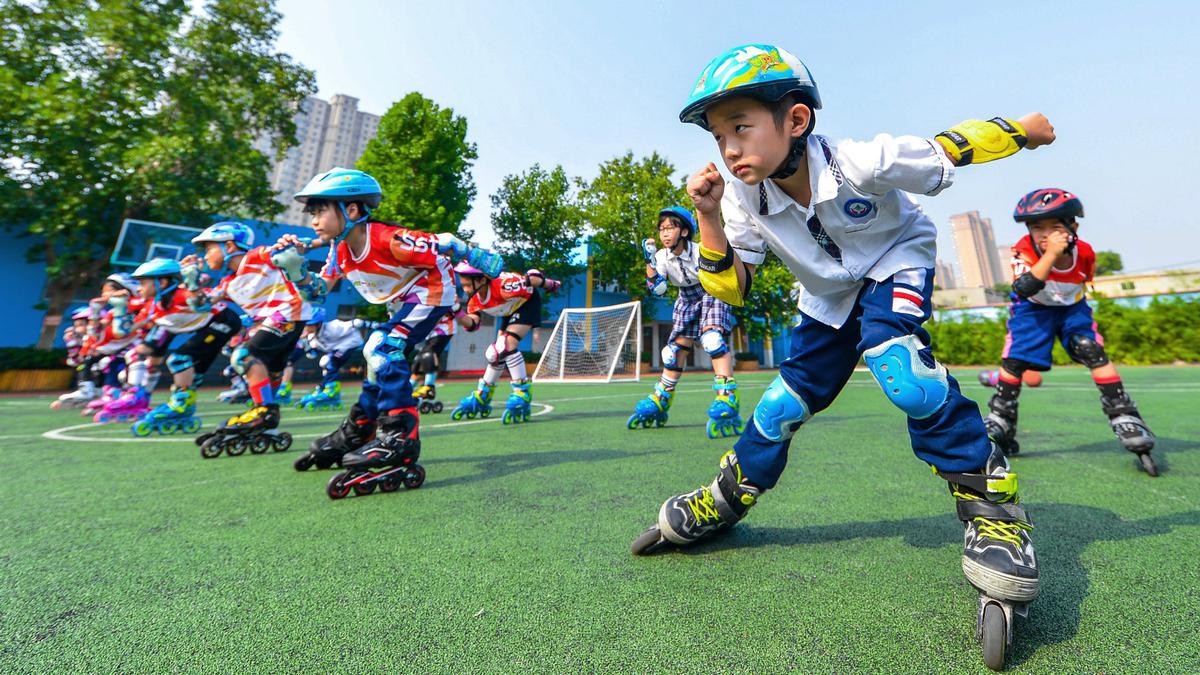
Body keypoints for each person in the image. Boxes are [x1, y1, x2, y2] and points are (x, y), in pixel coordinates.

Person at [632, 45, 1056, 633]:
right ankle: (727, 495)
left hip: (894, 262)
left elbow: (949, 146)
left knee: (899, 367)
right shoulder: (737, 200)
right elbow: (730, 290)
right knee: (782, 404)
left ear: (796, 121)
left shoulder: (862, 161)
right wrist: (705, 217)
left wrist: (1024, 130)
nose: (728, 148)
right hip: (827, 296)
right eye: (718, 136)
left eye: (742, 127)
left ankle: (995, 508)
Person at [285, 168, 502, 493]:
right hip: (405, 299)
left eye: (320, 211)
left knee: (381, 347)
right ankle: (360, 429)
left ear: (352, 210)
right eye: (312, 213)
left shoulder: (389, 239)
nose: (314, 221)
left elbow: (444, 243)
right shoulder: (339, 252)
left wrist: (478, 257)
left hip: (433, 291)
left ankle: (401, 435)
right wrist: (296, 271)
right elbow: (318, 293)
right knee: (377, 358)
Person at [984, 188, 1157, 474]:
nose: (1045, 234)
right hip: (1032, 308)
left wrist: (1057, 256)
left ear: (1073, 228)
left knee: (1090, 349)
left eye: (1055, 227)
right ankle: (1001, 416)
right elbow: (1024, 288)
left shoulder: (1085, 253)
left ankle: (1124, 414)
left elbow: (1080, 285)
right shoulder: (1023, 249)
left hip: (1072, 309)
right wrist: (1051, 253)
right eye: (1037, 227)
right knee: (1015, 360)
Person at [628, 206, 740, 437]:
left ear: (685, 232)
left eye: (671, 227)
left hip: (711, 292)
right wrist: (648, 260)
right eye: (662, 229)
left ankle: (727, 397)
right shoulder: (660, 257)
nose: (665, 233)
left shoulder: (701, 251)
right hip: (685, 298)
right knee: (673, 351)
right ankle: (662, 398)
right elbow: (658, 290)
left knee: (712, 340)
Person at [126, 258, 243, 435]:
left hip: (224, 321)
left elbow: (201, 300)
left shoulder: (181, 295)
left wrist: (194, 282)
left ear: (163, 282)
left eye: (143, 283)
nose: (139, 288)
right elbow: (126, 330)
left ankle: (181, 404)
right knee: (192, 372)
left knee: (179, 359)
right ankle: (184, 405)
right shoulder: (154, 305)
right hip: (208, 326)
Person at [451, 265, 560, 425]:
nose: (465, 289)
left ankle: (522, 392)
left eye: (468, 285)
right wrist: (456, 311)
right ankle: (484, 394)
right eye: (463, 285)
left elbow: (530, 280)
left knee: (506, 345)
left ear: (482, 280)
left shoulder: (504, 285)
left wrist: (550, 284)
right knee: (494, 354)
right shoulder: (474, 300)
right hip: (510, 310)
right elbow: (472, 325)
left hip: (528, 302)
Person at [295, 306, 364, 412]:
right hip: (337, 349)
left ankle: (331, 389)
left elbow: (356, 323)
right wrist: (306, 344)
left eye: (310, 325)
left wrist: (376, 325)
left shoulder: (333, 326)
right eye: (306, 325)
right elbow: (312, 355)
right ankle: (325, 388)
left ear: (318, 324)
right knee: (324, 362)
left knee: (331, 361)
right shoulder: (311, 337)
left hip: (351, 342)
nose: (307, 327)